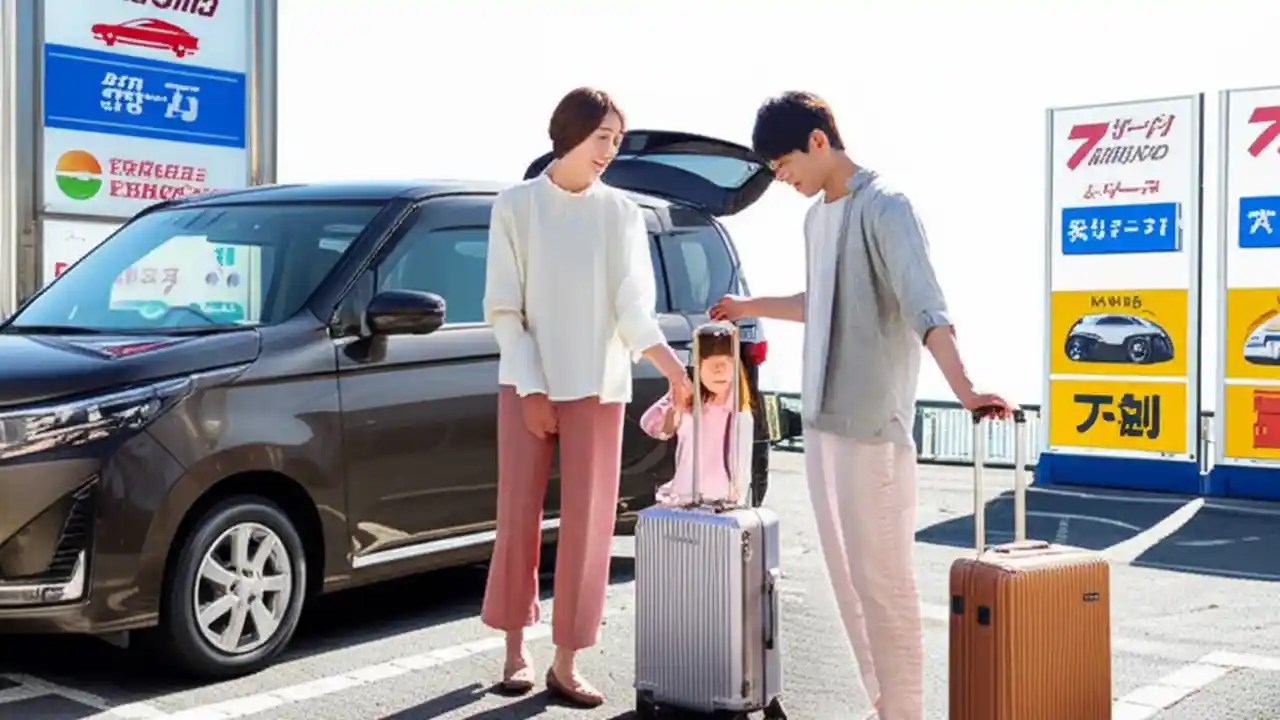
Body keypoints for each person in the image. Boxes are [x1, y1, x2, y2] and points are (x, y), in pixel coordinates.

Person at [711, 91, 1013, 720]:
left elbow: (925, 305)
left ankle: (906, 713)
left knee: (885, 586)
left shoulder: (887, 207)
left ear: (819, 141)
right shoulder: (816, 219)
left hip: (873, 429)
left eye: (784, 163)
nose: (782, 178)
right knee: (848, 584)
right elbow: (819, 299)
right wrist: (748, 308)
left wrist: (965, 389)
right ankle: (884, 707)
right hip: (822, 424)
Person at [480, 86, 693, 709]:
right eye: (603, 138)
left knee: (589, 527)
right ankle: (515, 650)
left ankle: (566, 661)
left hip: (600, 386)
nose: (610, 151)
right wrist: (531, 387)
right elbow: (503, 310)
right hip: (527, 381)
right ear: (570, 132)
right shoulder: (515, 206)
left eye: (617, 142)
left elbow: (632, 306)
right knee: (517, 513)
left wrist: (669, 365)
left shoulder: (621, 213)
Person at [640, 325, 753, 506]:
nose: (719, 369)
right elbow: (650, 425)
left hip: (725, 506)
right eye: (709, 360)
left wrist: (738, 500)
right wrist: (674, 404)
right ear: (698, 366)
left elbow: (743, 468)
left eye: (726, 360)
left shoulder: (739, 410)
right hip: (686, 502)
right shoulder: (690, 402)